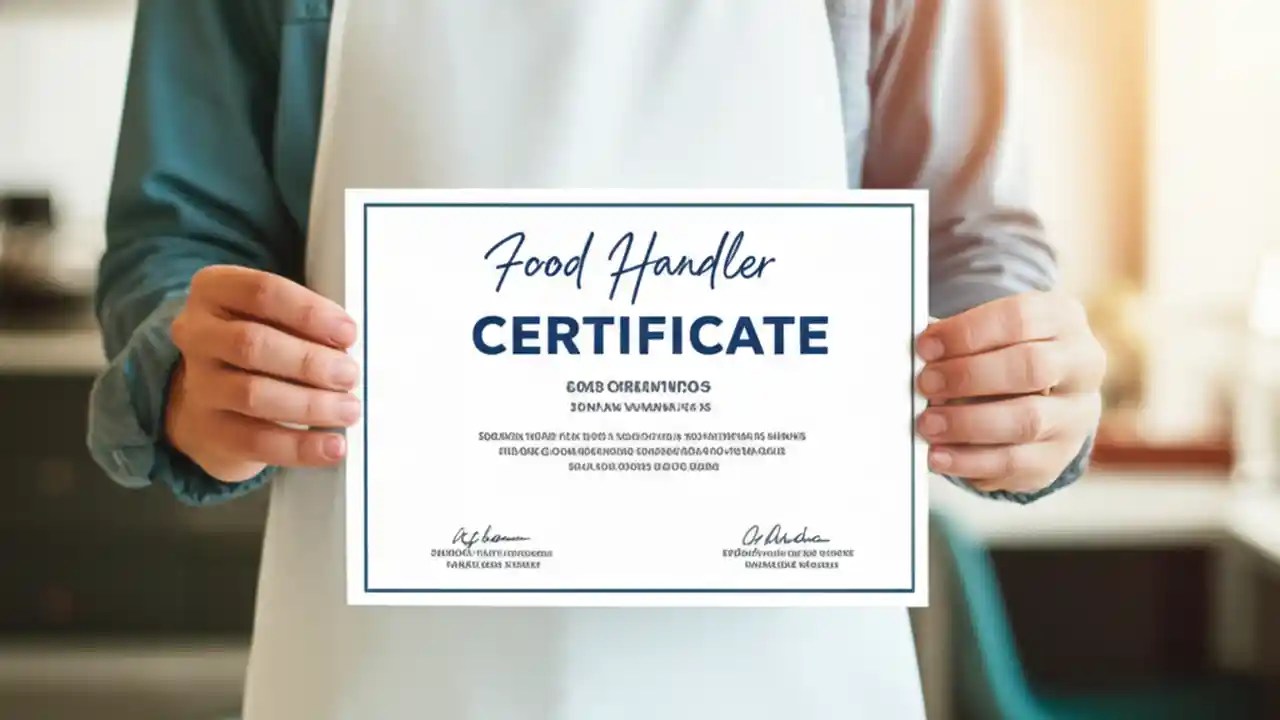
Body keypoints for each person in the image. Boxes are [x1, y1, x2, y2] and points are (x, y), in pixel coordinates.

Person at [89, 1, 1105, 717]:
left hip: (789, 670)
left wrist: (1016, 380)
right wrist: (196, 375)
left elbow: (969, 246)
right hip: (389, 673)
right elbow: (177, 240)